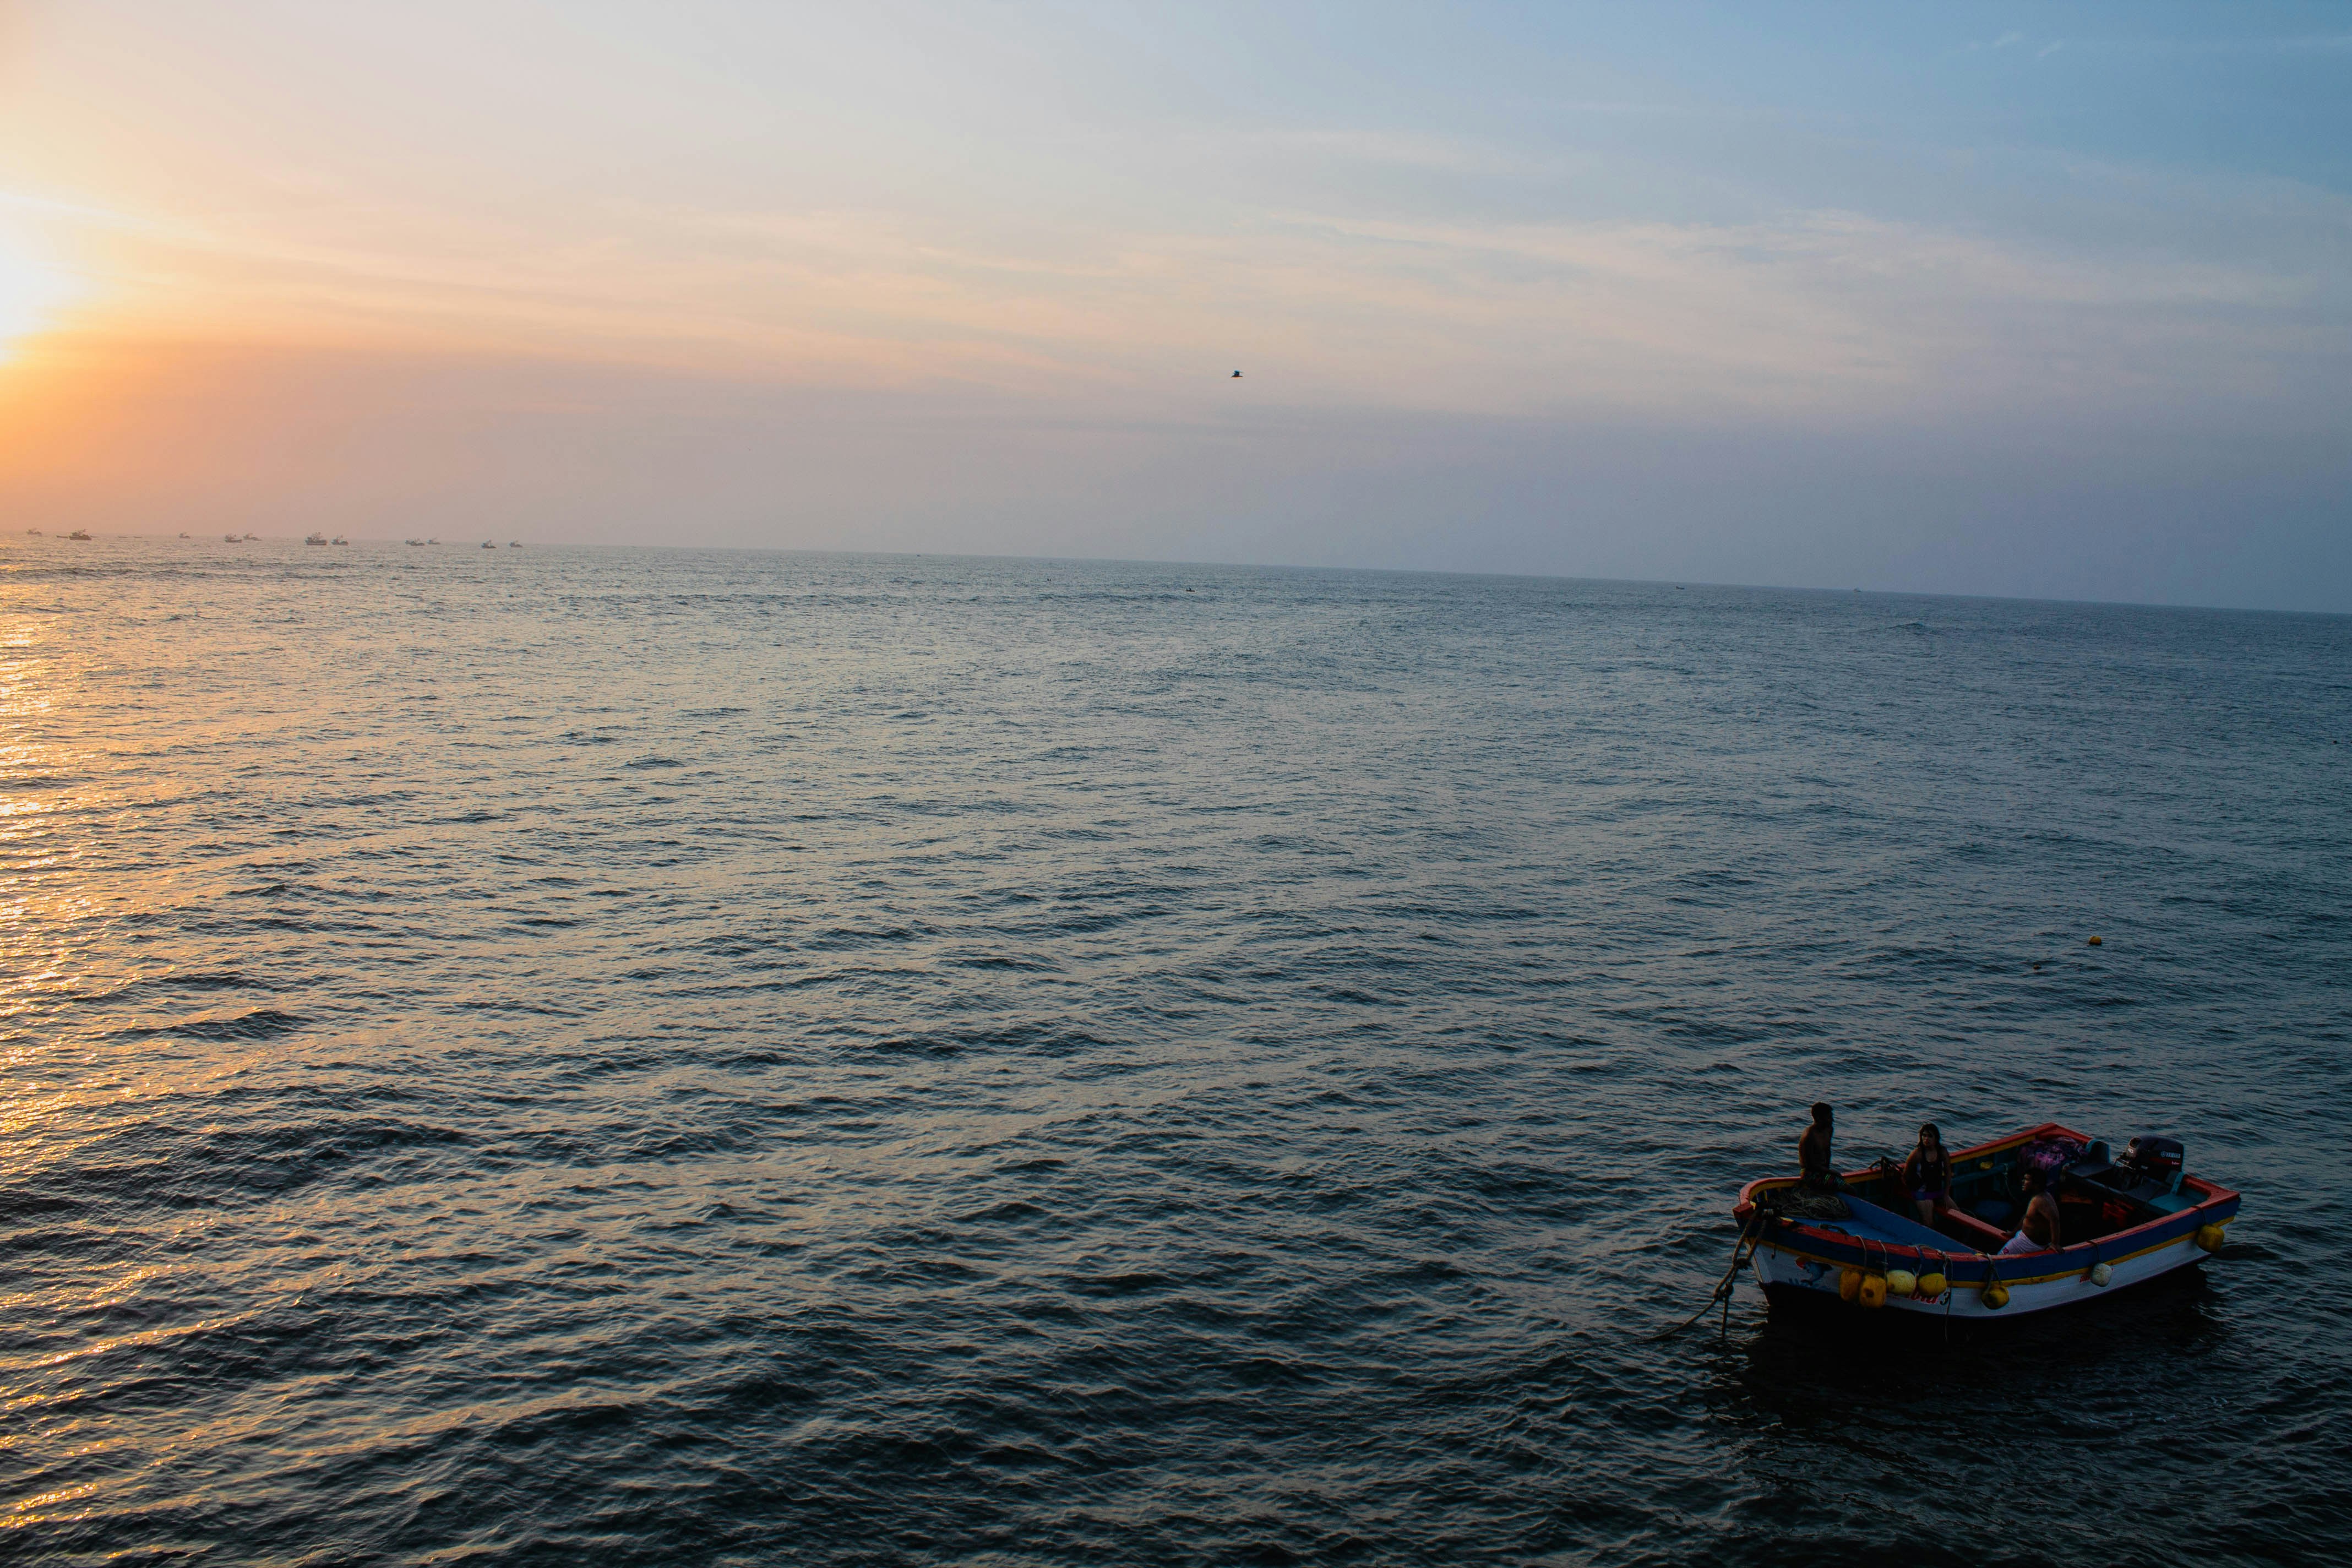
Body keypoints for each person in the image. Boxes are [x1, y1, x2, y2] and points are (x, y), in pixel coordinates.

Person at [1999, 1166, 2063, 1255]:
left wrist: (2055, 1244)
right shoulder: (2040, 1196)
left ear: (2036, 1184)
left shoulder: (2040, 1200)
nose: (2023, 1182)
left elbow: (2055, 1220)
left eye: (2027, 1180)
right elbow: (2027, 1216)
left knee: (2000, 1259)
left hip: (2027, 1244)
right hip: (2024, 1238)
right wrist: (2014, 1232)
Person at [1901, 1122, 1954, 1227]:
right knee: (1929, 1224)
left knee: (1958, 1217)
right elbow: (1906, 1176)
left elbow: (1948, 1172)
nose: (1927, 1139)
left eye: (1930, 1136)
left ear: (1936, 1138)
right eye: (1924, 1136)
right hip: (1923, 1194)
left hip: (1938, 1191)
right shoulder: (1917, 1154)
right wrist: (1913, 1192)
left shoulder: (1942, 1151)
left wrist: (1946, 1194)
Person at [1798, 1103, 1838, 1192]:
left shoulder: (1829, 1130)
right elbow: (1810, 1165)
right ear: (1819, 1119)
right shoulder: (1809, 1136)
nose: (1832, 1120)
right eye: (1829, 1117)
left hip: (1824, 1171)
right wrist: (1832, 1173)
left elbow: (1828, 1152)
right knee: (1850, 1190)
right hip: (1810, 1175)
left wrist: (1828, 1171)